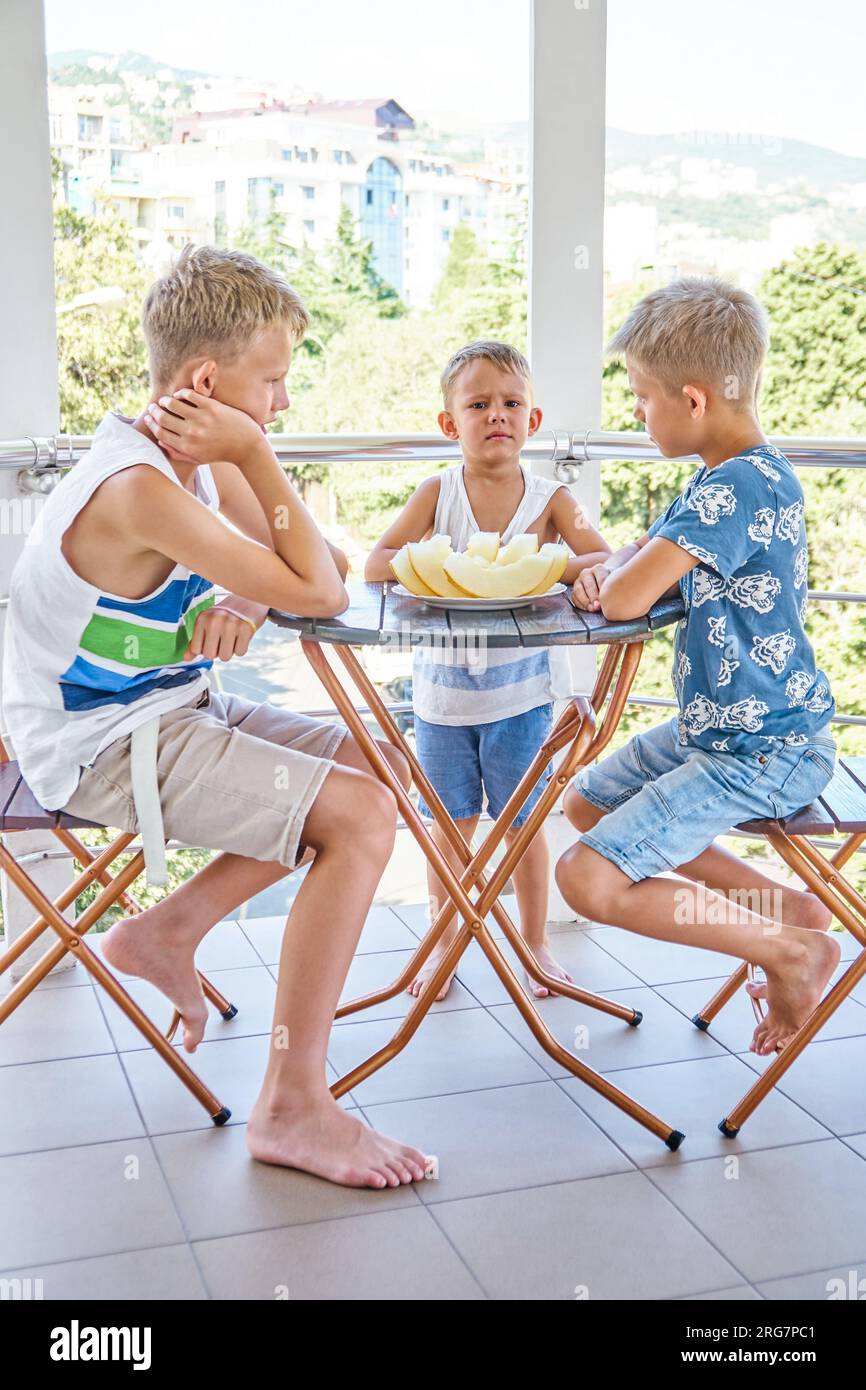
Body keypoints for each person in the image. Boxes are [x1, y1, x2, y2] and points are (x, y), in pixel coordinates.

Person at [3, 244, 431, 1189]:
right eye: (272, 382)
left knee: (377, 761)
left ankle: (164, 930)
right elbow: (322, 590)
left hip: (167, 707)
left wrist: (252, 590)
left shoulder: (186, 455)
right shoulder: (142, 486)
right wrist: (253, 458)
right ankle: (291, 1107)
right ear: (207, 380)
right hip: (98, 744)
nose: (282, 404)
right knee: (356, 816)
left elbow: (307, 559)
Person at [559, 277, 839, 1056]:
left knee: (587, 878)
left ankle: (789, 951)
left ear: (692, 398)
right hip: (723, 732)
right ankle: (783, 906)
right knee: (586, 805)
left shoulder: (730, 488)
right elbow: (636, 568)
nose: (638, 415)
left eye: (641, 398)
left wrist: (606, 579)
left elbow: (623, 599)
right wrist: (609, 569)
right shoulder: (741, 476)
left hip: (765, 749)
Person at [366, 341, 611, 1000]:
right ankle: (441, 944)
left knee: (522, 825)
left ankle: (535, 943)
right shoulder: (434, 491)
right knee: (448, 830)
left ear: (533, 421)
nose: (496, 415)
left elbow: (602, 557)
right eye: (478, 405)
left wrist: (545, 567)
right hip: (442, 704)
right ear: (450, 424)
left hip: (521, 699)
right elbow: (375, 563)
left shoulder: (554, 499)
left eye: (511, 403)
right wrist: (438, 561)